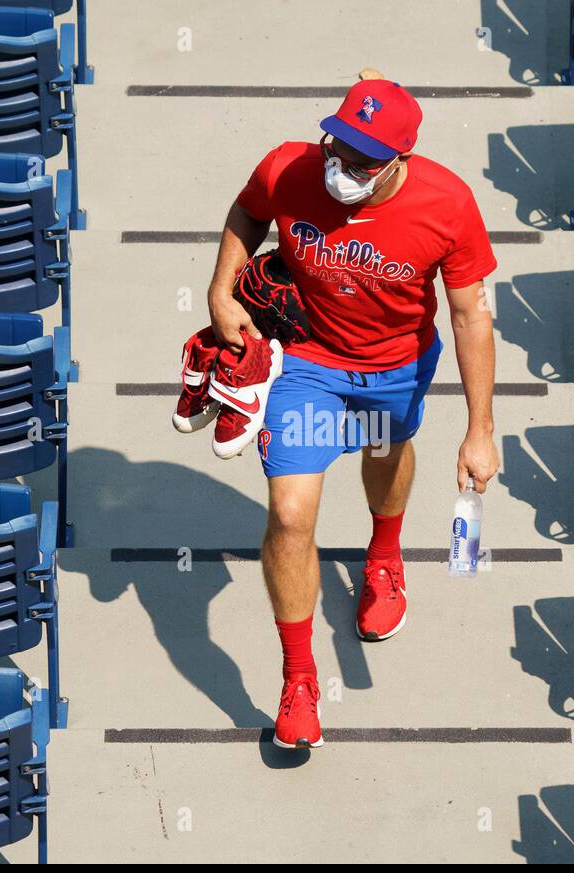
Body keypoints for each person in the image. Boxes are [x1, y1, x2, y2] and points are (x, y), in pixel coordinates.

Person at [202, 76, 499, 748]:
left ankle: (384, 557)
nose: (341, 169)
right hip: (307, 363)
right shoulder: (288, 168)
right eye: (336, 147)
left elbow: (469, 314)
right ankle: (300, 677)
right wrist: (221, 291)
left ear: (400, 161)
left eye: (363, 161)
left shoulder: (446, 204)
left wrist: (480, 430)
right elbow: (247, 212)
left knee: (382, 451)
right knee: (288, 513)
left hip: (395, 366)